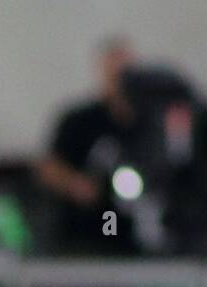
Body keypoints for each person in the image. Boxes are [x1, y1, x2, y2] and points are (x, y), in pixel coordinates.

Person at [35, 38, 138, 253]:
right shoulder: (78, 120)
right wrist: (76, 185)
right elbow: (49, 168)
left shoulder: (145, 123)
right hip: (83, 238)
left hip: (134, 239)